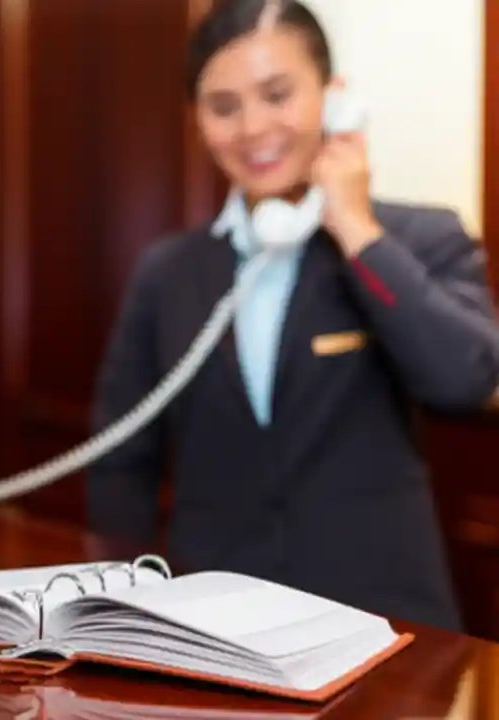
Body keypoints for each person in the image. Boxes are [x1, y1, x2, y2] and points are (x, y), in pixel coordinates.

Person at [86, 0, 499, 631]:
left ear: (334, 99)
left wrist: (357, 228)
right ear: (198, 120)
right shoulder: (167, 272)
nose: (253, 127)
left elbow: (464, 381)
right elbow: (120, 462)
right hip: (213, 633)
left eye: (277, 95)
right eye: (224, 107)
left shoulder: (419, 239)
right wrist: (122, 616)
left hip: (383, 630)